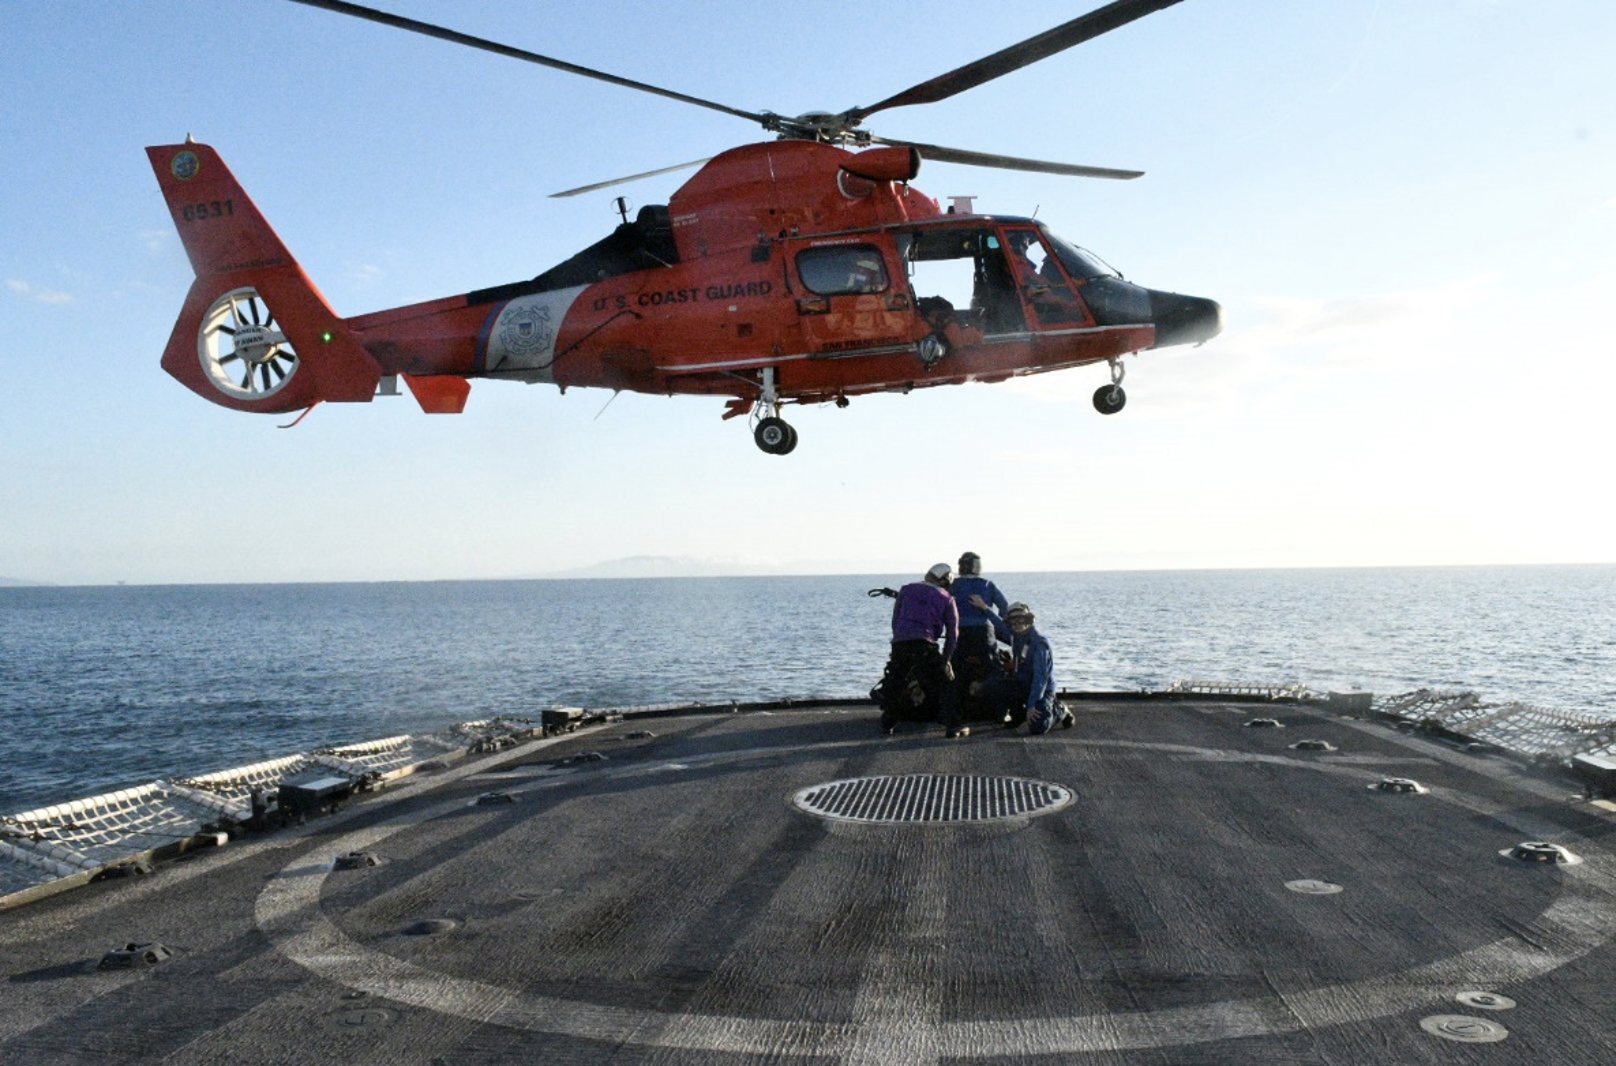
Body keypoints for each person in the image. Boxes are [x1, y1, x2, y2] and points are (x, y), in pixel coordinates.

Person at [877, 563, 968, 738]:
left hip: (900, 644)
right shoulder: (947, 598)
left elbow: (895, 621)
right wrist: (945, 659)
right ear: (946, 580)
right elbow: (952, 634)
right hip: (925, 645)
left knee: (896, 682)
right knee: (946, 684)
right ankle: (953, 726)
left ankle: (888, 723)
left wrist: (899, 641)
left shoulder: (906, 590)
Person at [950, 552, 1011, 721]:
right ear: (977, 566)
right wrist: (1001, 625)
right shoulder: (987, 584)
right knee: (994, 669)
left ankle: (953, 713)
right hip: (984, 632)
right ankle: (1001, 712)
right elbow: (1004, 606)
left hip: (960, 633)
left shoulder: (953, 585)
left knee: (954, 670)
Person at [999, 602, 1073, 735]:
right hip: (1022, 683)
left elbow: (1040, 679)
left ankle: (1060, 709)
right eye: (1012, 621)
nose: (1016, 624)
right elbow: (997, 624)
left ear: (1028, 620)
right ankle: (1018, 714)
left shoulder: (1039, 643)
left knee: (1038, 727)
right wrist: (985, 608)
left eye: (1020, 620)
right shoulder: (1016, 636)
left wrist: (1031, 705)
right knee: (996, 684)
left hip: (1042, 690)